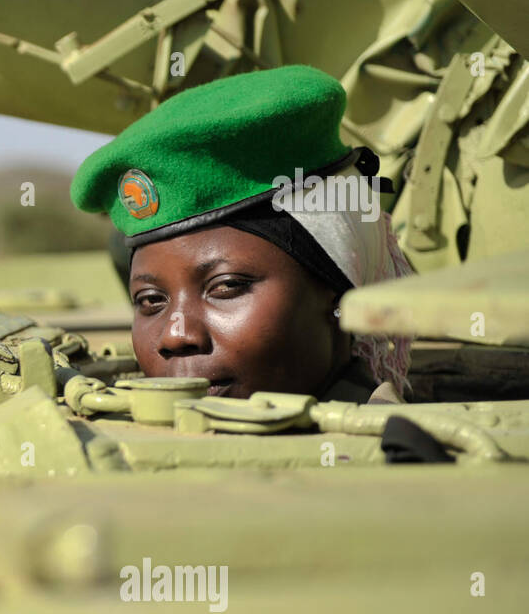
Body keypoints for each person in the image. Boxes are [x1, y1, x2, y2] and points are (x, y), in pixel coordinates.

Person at [70, 64, 413, 404]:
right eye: (150, 301)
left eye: (226, 286)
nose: (176, 335)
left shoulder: (408, 452)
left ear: (342, 294)